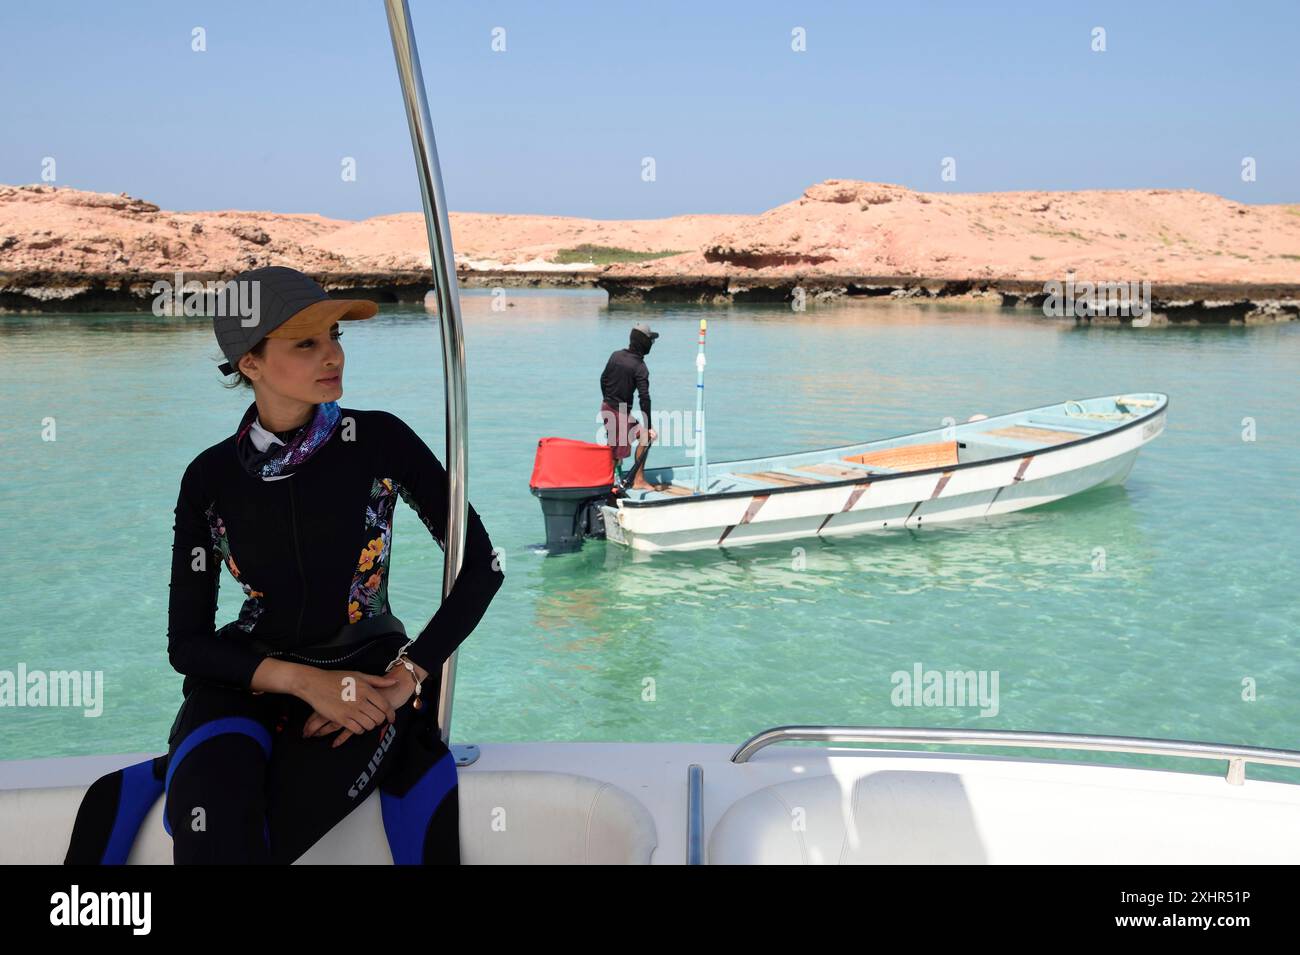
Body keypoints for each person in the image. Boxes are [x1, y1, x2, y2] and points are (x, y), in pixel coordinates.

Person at [64, 266, 504, 865]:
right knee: (215, 842)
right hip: (245, 683)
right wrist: (302, 681)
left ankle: (176, 771)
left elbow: (482, 565)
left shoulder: (379, 441)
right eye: (306, 343)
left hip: (362, 678)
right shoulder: (209, 479)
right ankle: (167, 771)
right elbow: (187, 646)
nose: (333, 356)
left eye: (336, 337)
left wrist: (407, 679)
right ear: (250, 362)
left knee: (269, 836)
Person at [599, 322, 659, 490]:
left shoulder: (615, 355)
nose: (652, 345)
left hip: (608, 407)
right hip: (619, 413)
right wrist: (648, 425)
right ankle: (606, 486)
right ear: (643, 343)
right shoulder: (640, 367)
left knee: (643, 438)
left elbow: (603, 379)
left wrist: (609, 400)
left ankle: (638, 480)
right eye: (650, 341)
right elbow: (644, 398)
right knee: (616, 453)